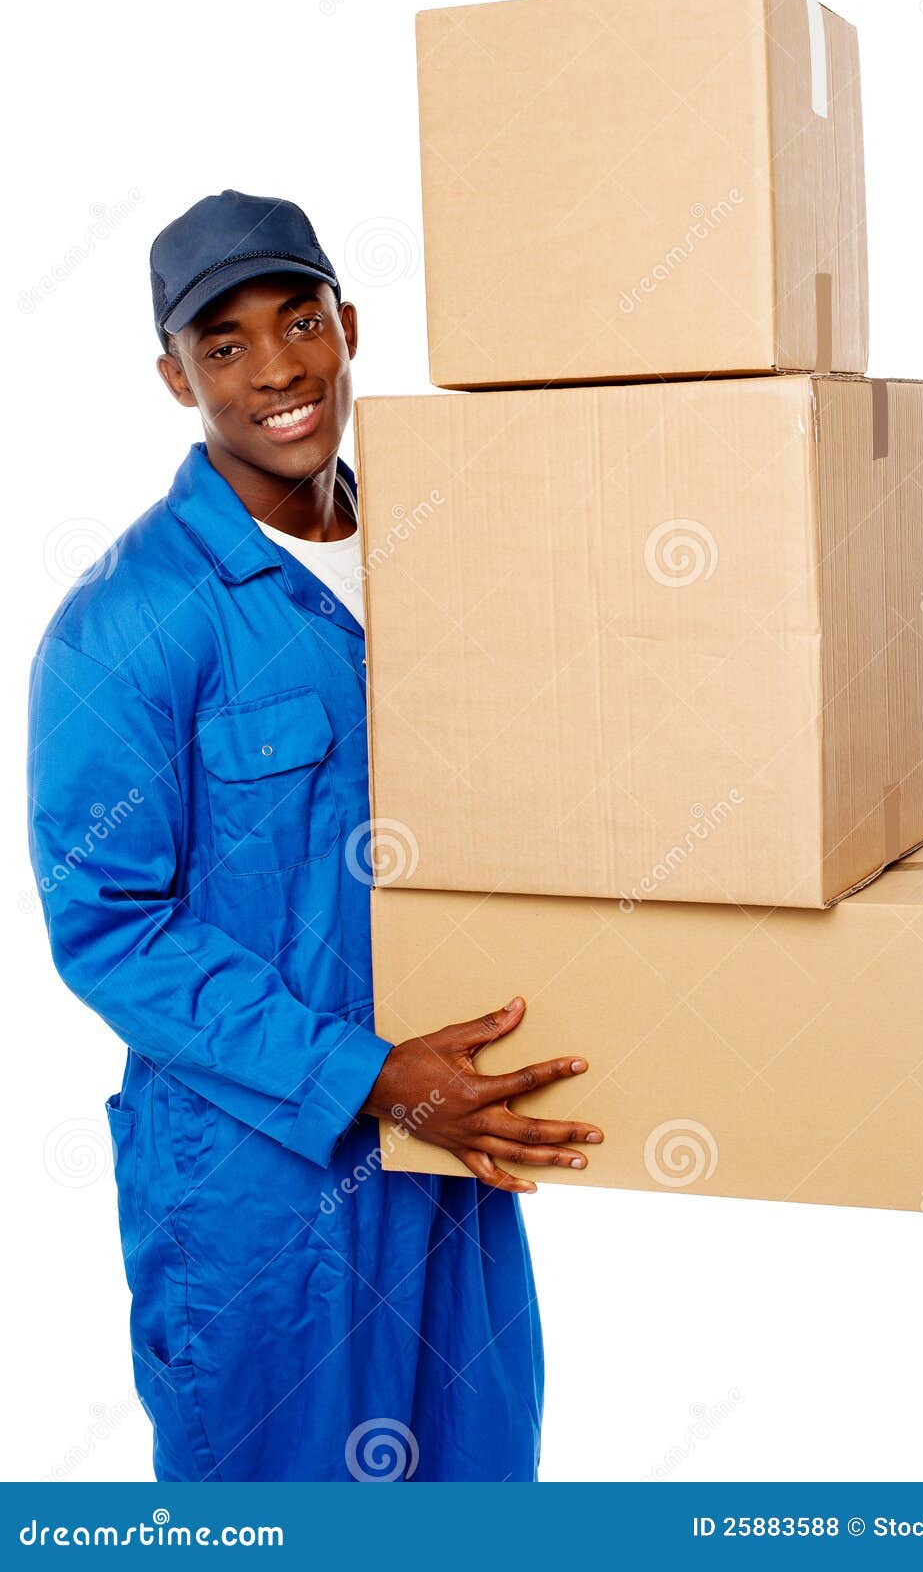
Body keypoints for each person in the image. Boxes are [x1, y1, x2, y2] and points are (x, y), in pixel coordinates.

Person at [26, 189, 603, 1482]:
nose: (277, 371)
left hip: (455, 1151)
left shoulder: (443, 552)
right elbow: (110, 928)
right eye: (222, 345)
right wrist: (371, 1075)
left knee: (475, 1494)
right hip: (261, 1192)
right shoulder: (128, 623)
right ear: (174, 377)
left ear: (348, 324)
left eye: (299, 322)